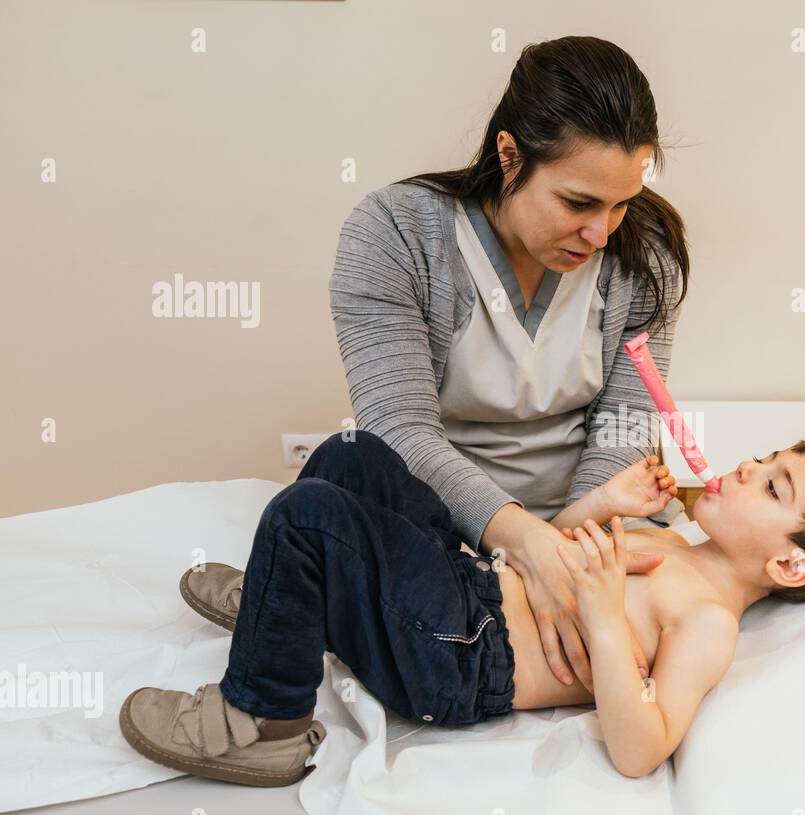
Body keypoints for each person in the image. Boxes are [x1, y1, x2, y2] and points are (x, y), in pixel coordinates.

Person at [180, 35, 692, 697]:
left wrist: (571, 553)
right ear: (510, 156)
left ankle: (312, 592)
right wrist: (527, 549)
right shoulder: (394, 234)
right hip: (438, 524)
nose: (603, 233)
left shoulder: (644, 258)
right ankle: (317, 585)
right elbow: (401, 432)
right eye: (579, 203)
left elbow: (625, 427)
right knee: (351, 457)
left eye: (621, 203)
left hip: (590, 525)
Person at [120, 428, 805, 783]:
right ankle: (284, 604)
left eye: (773, 485)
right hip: (470, 584)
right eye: (767, 458)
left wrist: (602, 619)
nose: (746, 466)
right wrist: (602, 500)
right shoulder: (670, 544)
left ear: (790, 564)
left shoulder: (706, 625)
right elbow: (550, 556)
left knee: (311, 514)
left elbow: (641, 750)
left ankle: (263, 721)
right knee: (354, 455)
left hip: (460, 654)